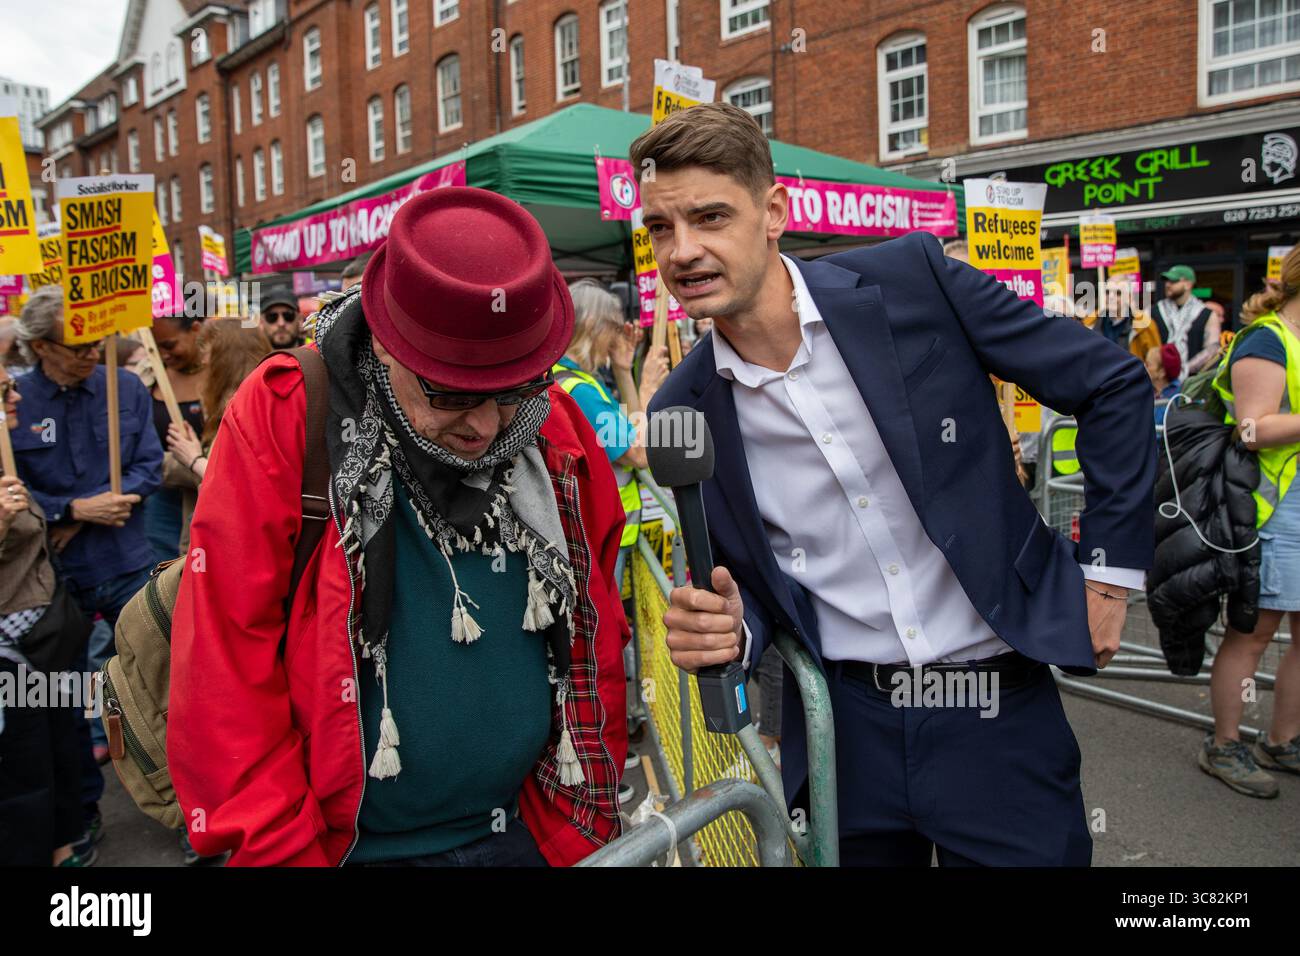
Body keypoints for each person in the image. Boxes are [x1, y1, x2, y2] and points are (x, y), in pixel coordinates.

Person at [638, 103, 1155, 866]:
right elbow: (743, 583)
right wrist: (726, 631)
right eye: (660, 228)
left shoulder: (912, 280)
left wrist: (1107, 580)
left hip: (997, 712)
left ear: (774, 211)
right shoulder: (681, 406)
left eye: (710, 216)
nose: (683, 251)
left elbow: (1111, 385)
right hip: (847, 731)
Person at [168, 187, 630, 867]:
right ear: (385, 347)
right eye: (449, 393)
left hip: (529, 835)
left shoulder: (556, 424)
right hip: (351, 853)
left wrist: (576, 827)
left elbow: (599, 626)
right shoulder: (288, 413)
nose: (486, 426)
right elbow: (224, 670)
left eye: (511, 391)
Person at [11, 286, 164, 858]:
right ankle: (81, 812)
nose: (88, 355)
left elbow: (149, 463)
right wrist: (66, 511)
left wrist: (104, 504)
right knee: (61, 699)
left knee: (155, 686)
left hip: (126, 560)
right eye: (75, 347)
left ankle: (182, 808)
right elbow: (13, 486)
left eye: (96, 344)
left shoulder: (122, 386)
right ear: (37, 347)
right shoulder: (15, 401)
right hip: (54, 578)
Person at [1200, 245, 1300, 798]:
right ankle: (1225, 743)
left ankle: (1283, 739)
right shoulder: (1267, 338)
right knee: (1254, 631)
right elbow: (1252, 429)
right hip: (1274, 508)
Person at [0, 364, 93, 866]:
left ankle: (64, 847)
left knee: (59, 747)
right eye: (3, 389)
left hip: (46, 641)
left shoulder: (7, 459)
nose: (16, 394)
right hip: (9, 656)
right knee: (23, 768)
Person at [164, 320, 272, 554]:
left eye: (208, 353)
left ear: (228, 357)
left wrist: (194, 459)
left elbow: (245, 485)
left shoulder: (244, 407)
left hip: (235, 546)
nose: (203, 361)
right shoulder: (249, 399)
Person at [137, 314, 207, 563]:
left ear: (196, 330)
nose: (163, 355)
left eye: (169, 345)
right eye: (154, 347)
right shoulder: (147, 374)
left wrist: (194, 462)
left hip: (206, 495)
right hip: (161, 500)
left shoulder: (223, 374)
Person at [1156, 265, 1220, 375]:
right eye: (1167, 281)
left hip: (1192, 385)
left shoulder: (1206, 314)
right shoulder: (1154, 311)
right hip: (1159, 383)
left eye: (1173, 281)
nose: (1167, 285)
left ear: (1188, 284)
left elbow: (1212, 349)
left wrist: (1184, 371)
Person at [257, 284, 305, 350]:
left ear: (300, 319)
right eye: (272, 317)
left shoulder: (317, 353)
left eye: (288, 316)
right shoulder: (252, 358)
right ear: (261, 322)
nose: (281, 323)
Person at [1144, 343, 1181, 427]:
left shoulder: (1176, 396)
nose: (1143, 367)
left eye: (1148, 364)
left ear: (1162, 372)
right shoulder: (1146, 389)